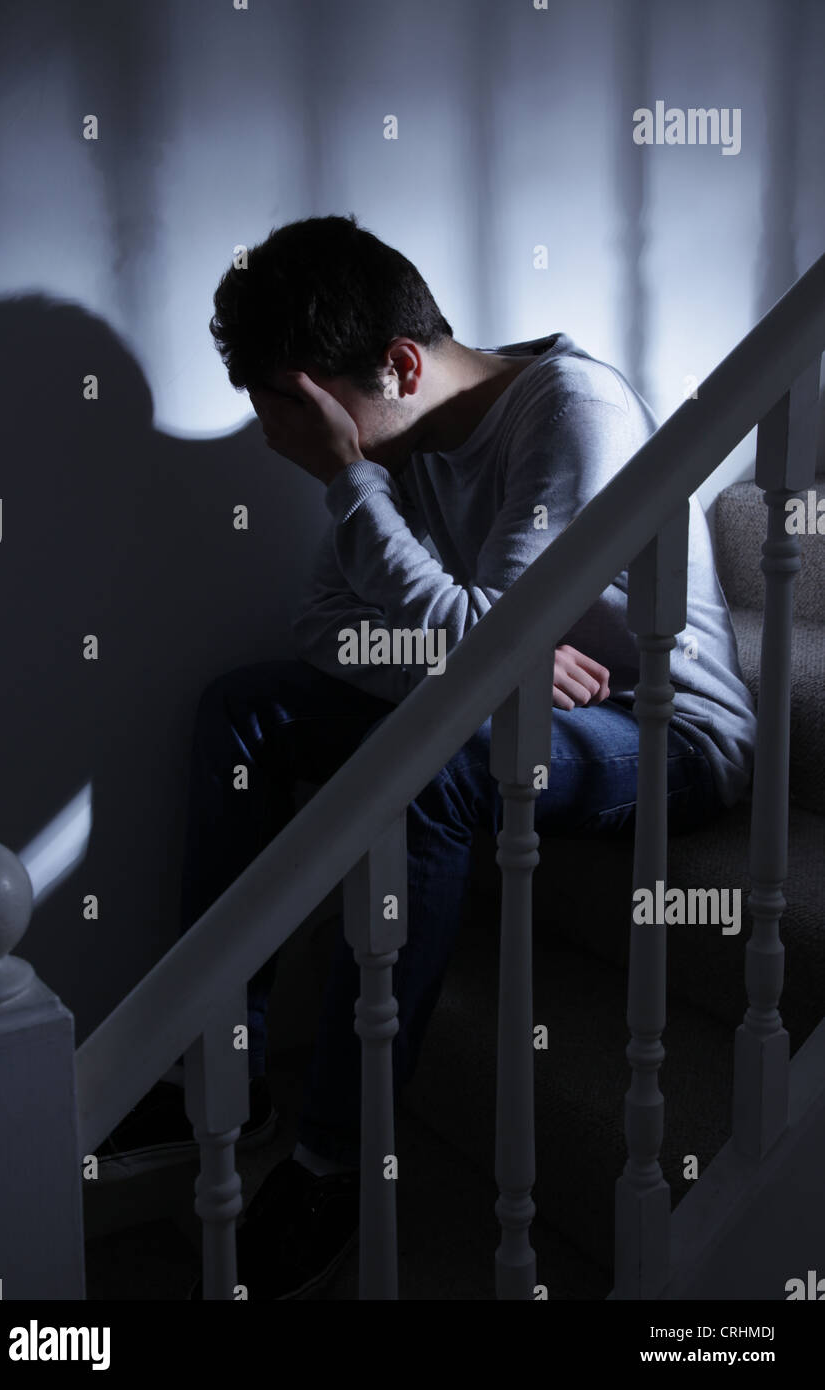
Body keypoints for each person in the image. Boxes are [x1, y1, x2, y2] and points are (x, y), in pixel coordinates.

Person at [107, 213, 756, 1299]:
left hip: (663, 732)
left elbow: (481, 662)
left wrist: (361, 498)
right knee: (246, 707)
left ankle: (331, 1162)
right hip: (509, 717)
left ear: (399, 365)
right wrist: (471, 650)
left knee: (448, 762)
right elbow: (327, 623)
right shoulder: (407, 435)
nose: (320, 456)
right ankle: (213, 1065)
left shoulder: (570, 410)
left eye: (320, 429)